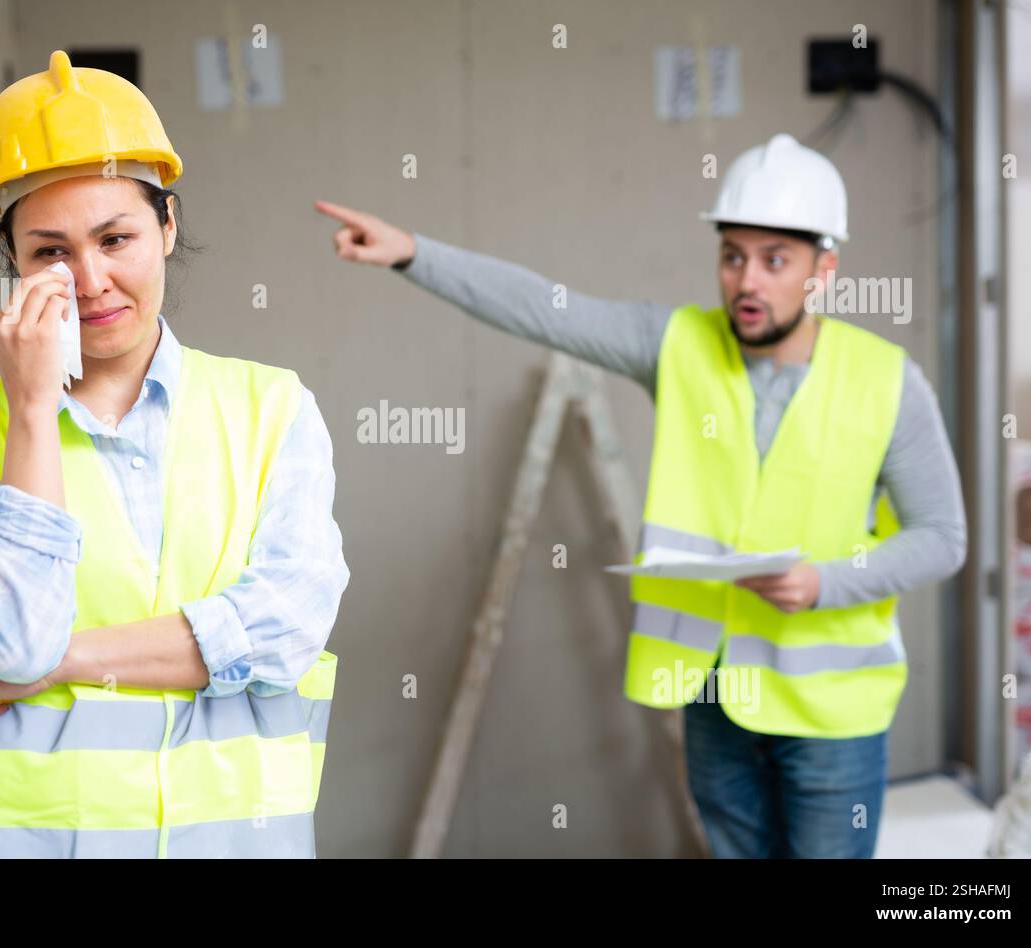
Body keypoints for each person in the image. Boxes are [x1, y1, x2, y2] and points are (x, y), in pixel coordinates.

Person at [316, 133, 966, 858]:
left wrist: (825, 581)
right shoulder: (677, 343)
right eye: (733, 256)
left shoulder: (887, 381)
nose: (747, 280)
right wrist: (413, 252)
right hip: (713, 698)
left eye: (774, 260)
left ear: (824, 269)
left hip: (832, 717)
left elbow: (942, 537)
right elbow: (547, 309)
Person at [0, 51, 349, 859]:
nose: (91, 279)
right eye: (50, 252)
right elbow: (4, 645)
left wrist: (58, 663)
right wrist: (32, 409)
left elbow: (288, 627)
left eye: (116, 238)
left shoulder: (272, 409)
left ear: (167, 227)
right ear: (14, 263)